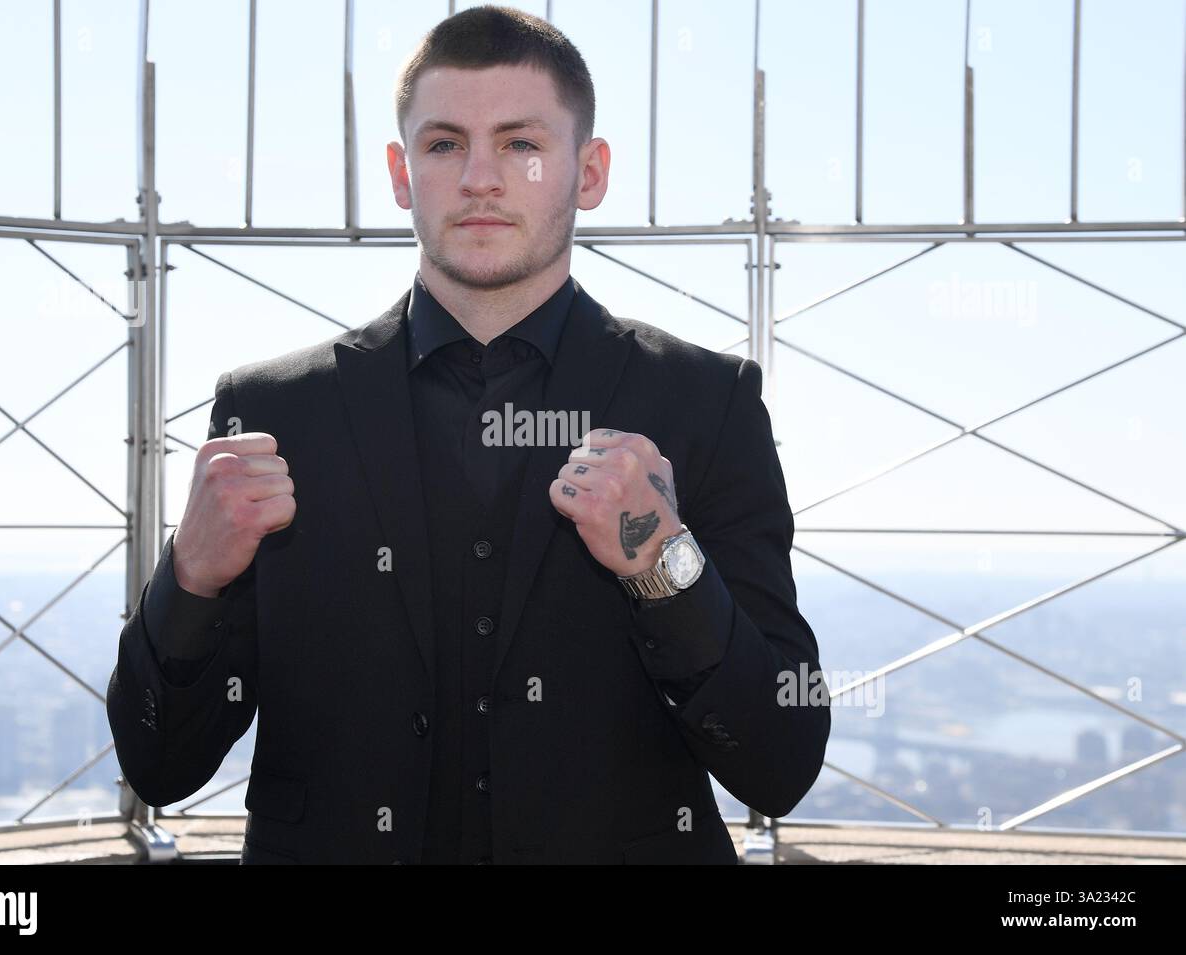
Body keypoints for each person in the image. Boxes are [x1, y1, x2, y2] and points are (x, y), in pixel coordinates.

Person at [106, 3, 830, 865]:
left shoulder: (708, 402)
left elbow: (782, 762)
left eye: (522, 144)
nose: (481, 178)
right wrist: (189, 576)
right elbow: (160, 763)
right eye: (445, 144)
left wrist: (665, 564)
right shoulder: (271, 413)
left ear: (589, 171)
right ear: (401, 171)